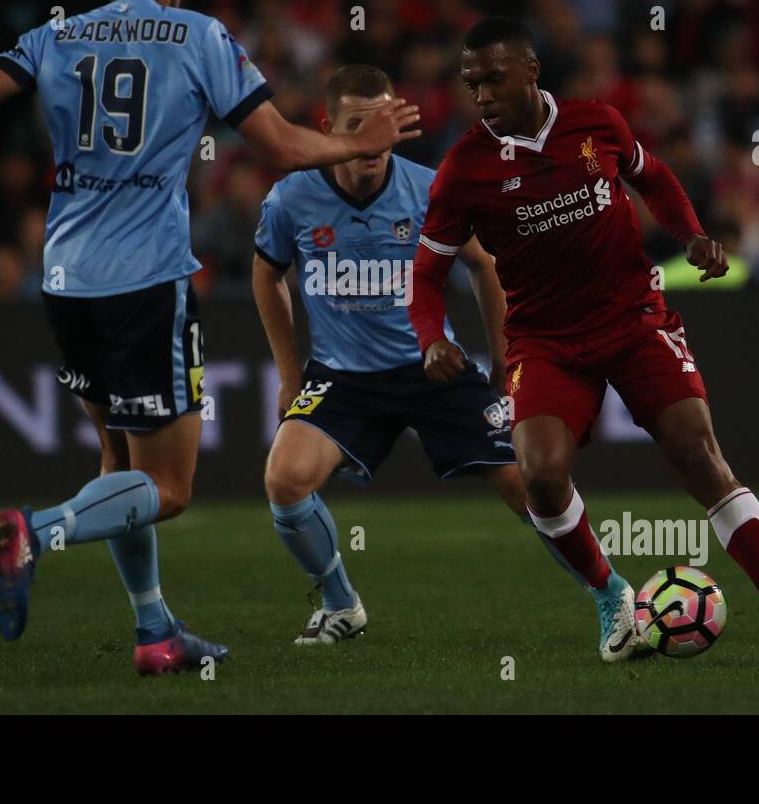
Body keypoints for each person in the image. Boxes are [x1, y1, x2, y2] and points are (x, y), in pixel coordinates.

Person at [0, 0, 419, 674]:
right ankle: (37, 529)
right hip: (146, 283)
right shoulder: (201, 36)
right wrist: (361, 142)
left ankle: (155, 631)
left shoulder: (57, 35)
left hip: (66, 279)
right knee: (167, 488)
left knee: (118, 463)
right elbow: (277, 144)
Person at [408, 17, 759, 663]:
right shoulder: (464, 169)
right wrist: (431, 337)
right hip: (544, 340)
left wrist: (690, 235)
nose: (481, 94)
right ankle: (610, 594)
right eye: (470, 83)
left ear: (531, 70)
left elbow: (650, 176)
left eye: (493, 78)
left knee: (697, 448)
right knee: (541, 476)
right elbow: (428, 271)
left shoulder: (595, 123)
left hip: (634, 320)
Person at [254, 64, 639, 655]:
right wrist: (288, 372)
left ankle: (612, 594)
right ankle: (339, 604)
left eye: (387, 125)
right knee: (284, 480)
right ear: (330, 128)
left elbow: (485, 267)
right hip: (343, 379)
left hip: (434, 368)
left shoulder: (428, 189)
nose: (376, 141)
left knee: (529, 483)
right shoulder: (292, 198)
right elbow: (267, 273)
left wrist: (505, 362)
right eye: (361, 126)